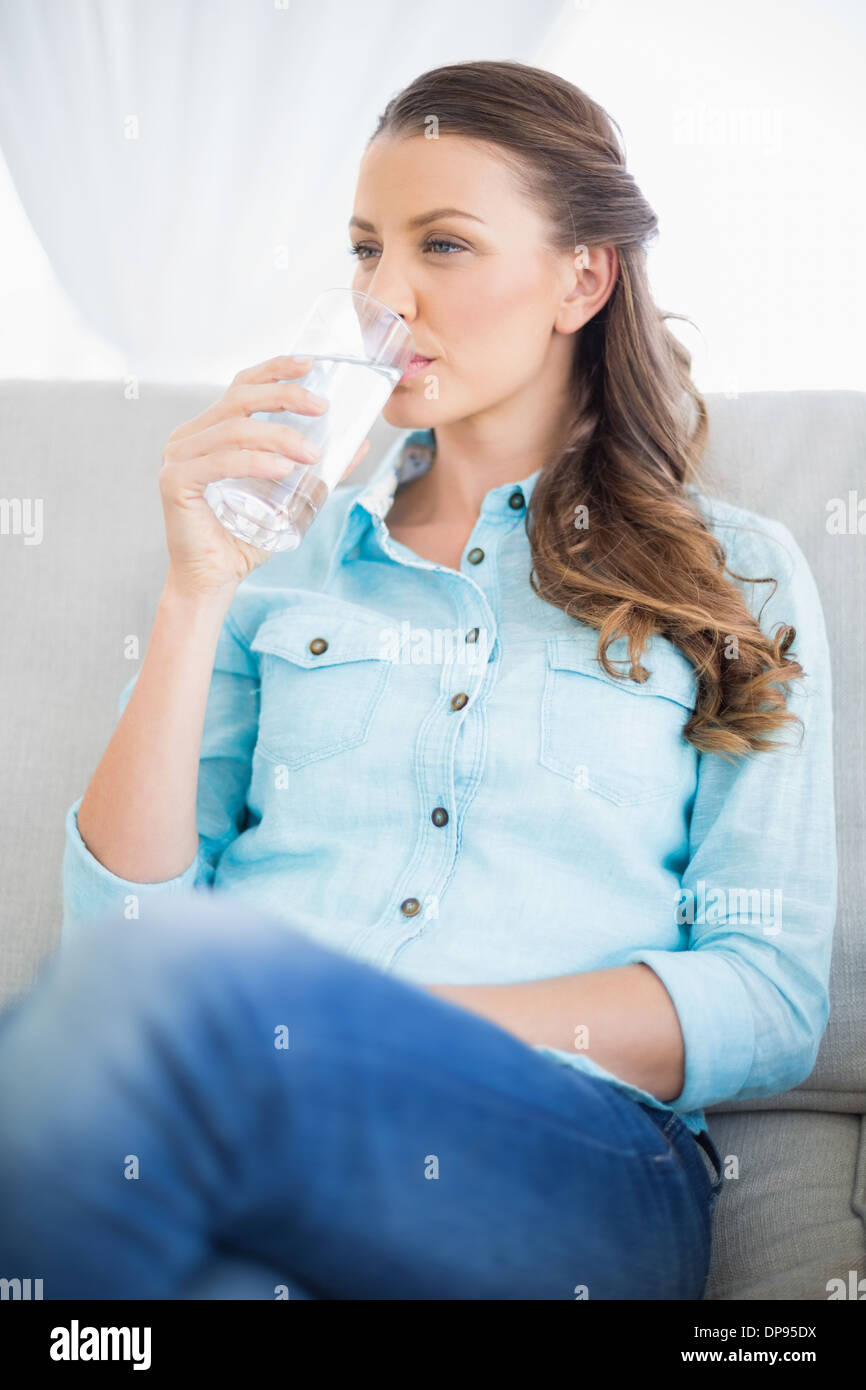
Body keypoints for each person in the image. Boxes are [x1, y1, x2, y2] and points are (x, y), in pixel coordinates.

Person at [0, 59, 835, 1301]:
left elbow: (764, 994)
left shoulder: (736, 578)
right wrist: (197, 591)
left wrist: (387, 1039)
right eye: (363, 250)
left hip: (564, 1156)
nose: (381, 296)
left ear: (581, 277)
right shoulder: (285, 573)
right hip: (242, 1133)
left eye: (440, 246)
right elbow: (121, 931)